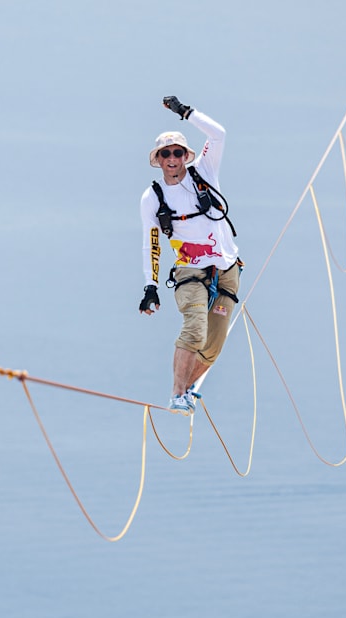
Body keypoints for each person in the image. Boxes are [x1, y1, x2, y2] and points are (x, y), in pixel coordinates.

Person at [138, 96, 241, 416]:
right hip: (190, 271)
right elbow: (151, 244)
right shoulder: (153, 197)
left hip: (227, 269)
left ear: (186, 155)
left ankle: (187, 389)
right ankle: (177, 394)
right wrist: (150, 286)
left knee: (213, 345)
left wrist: (186, 112)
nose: (172, 158)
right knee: (195, 330)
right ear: (158, 159)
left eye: (177, 152)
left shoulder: (204, 172)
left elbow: (219, 134)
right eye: (165, 153)